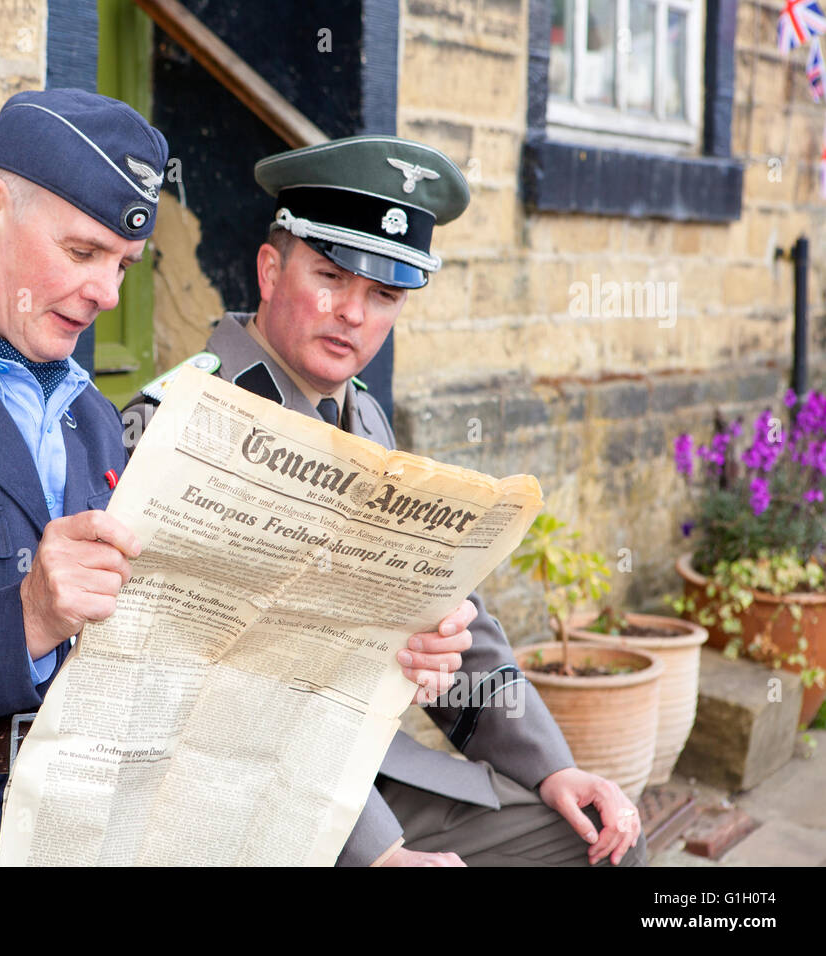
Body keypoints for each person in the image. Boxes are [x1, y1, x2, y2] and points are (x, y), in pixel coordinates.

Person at [0, 91, 465, 866]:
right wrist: (25, 618)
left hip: (79, 819)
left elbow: (185, 669)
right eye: (82, 253)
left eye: (123, 264)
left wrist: (377, 655)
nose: (108, 294)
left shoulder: (92, 422)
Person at [122, 135, 646, 867]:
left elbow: (452, 612)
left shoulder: (361, 414)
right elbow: (188, 676)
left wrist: (555, 767)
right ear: (271, 270)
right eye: (331, 277)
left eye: (384, 295)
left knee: (594, 841)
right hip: (226, 796)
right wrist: (380, 853)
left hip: (358, 771)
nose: (353, 315)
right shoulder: (175, 423)